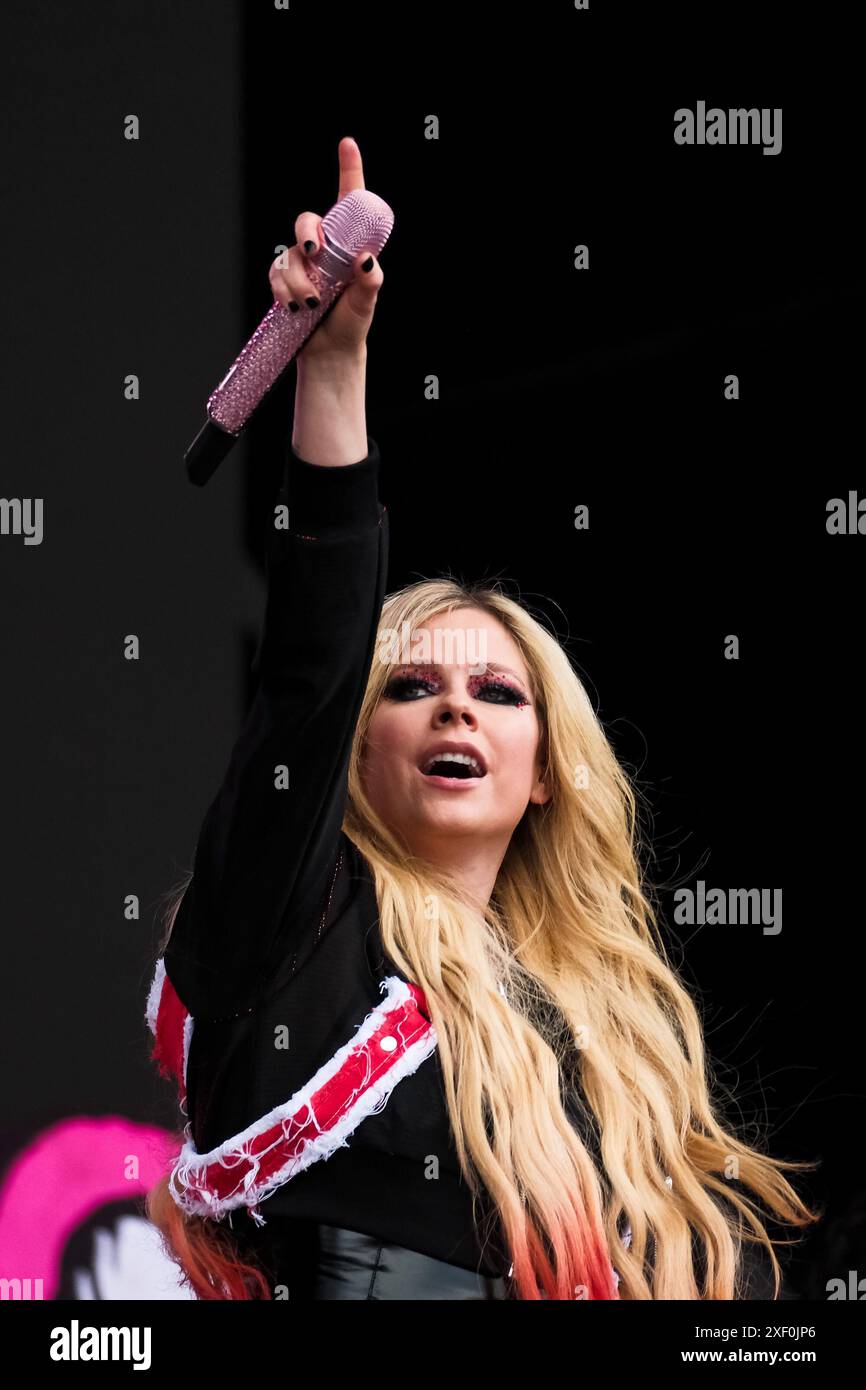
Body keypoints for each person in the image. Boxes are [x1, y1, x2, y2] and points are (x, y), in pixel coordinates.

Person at [146, 137, 821, 1300]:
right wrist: (334, 363)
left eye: (498, 692)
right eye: (410, 685)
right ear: (354, 753)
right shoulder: (288, 926)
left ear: (546, 771)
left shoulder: (599, 1041)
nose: (455, 699)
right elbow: (311, 662)